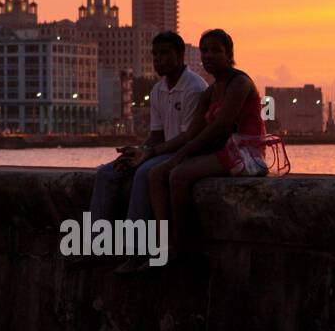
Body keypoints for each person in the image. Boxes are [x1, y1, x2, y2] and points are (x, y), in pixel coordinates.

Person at [82, 31, 208, 270]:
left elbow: (188, 136)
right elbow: (157, 134)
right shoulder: (159, 90)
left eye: (164, 53)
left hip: (184, 152)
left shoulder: (194, 87)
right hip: (163, 149)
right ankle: (97, 246)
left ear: (180, 55)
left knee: (143, 174)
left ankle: (137, 251)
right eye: (155, 54)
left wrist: (149, 154)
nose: (157, 59)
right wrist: (139, 150)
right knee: (107, 173)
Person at [147, 28, 267, 265]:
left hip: (244, 154)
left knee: (179, 175)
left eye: (215, 50)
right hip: (221, 151)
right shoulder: (210, 91)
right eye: (204, 51)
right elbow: (193, 131)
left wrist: (184, 153)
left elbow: (221, 126)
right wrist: (153, 152)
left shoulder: (240, 82)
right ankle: (164, 241)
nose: (208, 56)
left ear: (229, 53)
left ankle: (183, 246)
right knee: (156, 173)